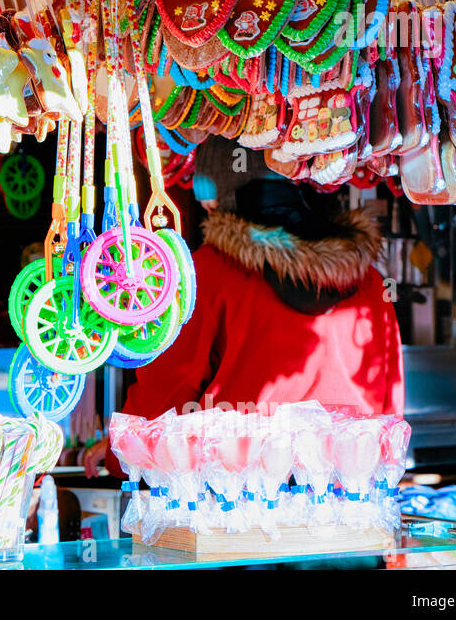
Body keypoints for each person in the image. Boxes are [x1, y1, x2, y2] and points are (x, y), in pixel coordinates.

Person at [82, 141, 404, 478]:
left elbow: (169, 387)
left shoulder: (206, 273)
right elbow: (390, 405)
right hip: (350, 500)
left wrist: (126, 450)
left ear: (215, 195)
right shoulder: (369, 281)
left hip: (236, 503)